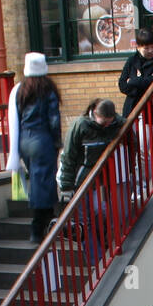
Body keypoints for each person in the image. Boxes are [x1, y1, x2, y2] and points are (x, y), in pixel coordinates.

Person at [57, 98, 130, 264]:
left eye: (109, 122)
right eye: (103, 122)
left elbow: (127, 129)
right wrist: (66, 186)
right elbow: (68, 157)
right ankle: (96, 259)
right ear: (94, 114)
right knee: (85, 219)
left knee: (102, 212)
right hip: (81, 180)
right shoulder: (80, 126)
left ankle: (104, 249)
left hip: (101, 179)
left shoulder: (116, 124)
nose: (105, 125)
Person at [6, 52, 61, 243]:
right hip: (42, 138)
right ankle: (38, 226)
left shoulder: (20, 90)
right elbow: (53, 120)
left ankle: (45, 219)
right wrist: (57, 142)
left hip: (24, 140)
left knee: (38, 180)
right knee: (44, 181)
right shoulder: (47, 90)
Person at [117, 27, 153, 196]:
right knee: (132, 149)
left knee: (143, 150)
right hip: (131, 110)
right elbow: (122, 85)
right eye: (146, 48)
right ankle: (135, 185)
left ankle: (144, 185)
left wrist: (135, 81)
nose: (150, 51)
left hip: (150, 111)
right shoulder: (131, 61)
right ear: (138, 47)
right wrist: (142, 81)